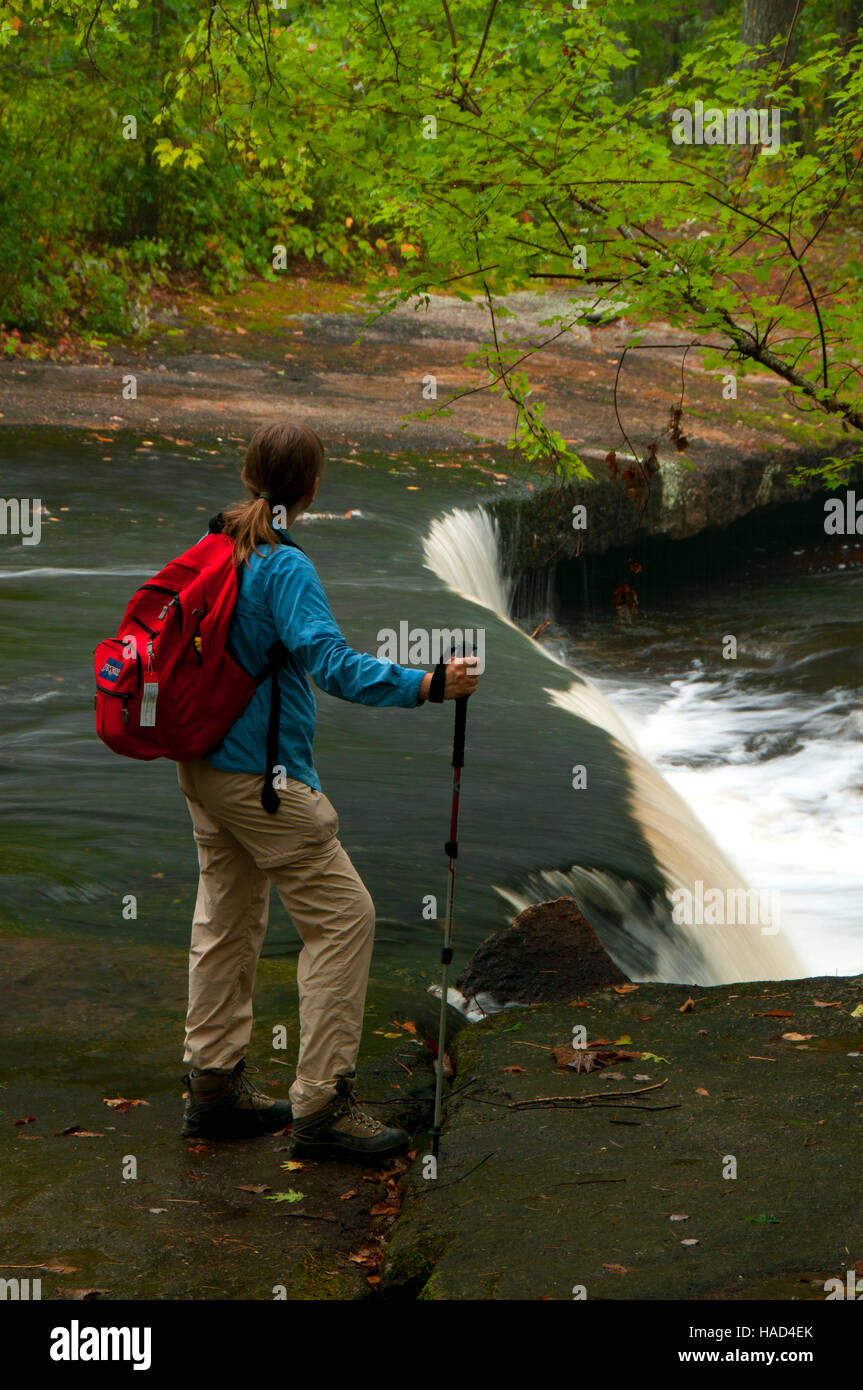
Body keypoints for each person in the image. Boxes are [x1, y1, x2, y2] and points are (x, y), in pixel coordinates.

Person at [177, 421, 478, 1161]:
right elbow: (331, 664)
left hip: (201, 766)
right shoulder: (283, 566)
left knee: (227, 916)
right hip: (263, 782)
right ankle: (322, 1104)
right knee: (344, 919)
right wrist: (427, 684)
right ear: (313, 489)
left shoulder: (214, 544)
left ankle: (213, 1087)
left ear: (248, 475)